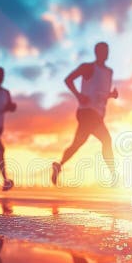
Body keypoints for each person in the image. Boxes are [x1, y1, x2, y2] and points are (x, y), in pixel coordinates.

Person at [52, 42, 119, 185]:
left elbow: (101, 93)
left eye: (107, 50)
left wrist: (111, 95)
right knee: (106, 140)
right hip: (87, 112)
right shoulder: (87, 67)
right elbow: (68, 80)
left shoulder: (109, 72)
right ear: (96, 52)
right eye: (102, 51)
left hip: (98, 113)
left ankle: (59, 165)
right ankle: (114, 175)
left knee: (77, 144)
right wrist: (78, 95)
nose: (105, 53)